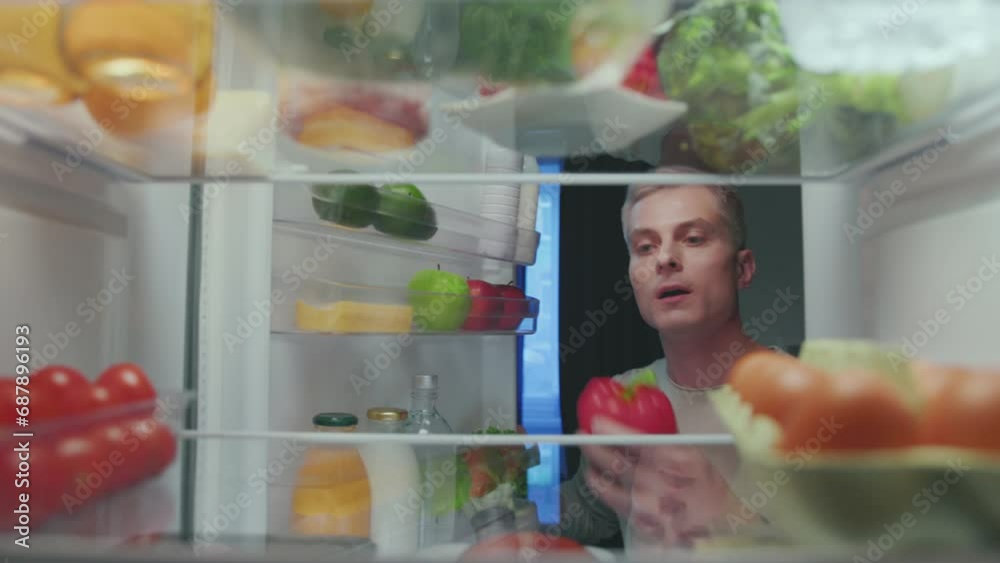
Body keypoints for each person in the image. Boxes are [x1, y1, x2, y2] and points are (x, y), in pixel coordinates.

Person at [555, 166, 777, 552]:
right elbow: (586, 516)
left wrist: (733, 520)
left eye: (692, 239)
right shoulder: (624, 393)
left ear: (743, 268)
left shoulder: (806, 397)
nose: (665, 259)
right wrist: (506, 495)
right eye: (645, 247)